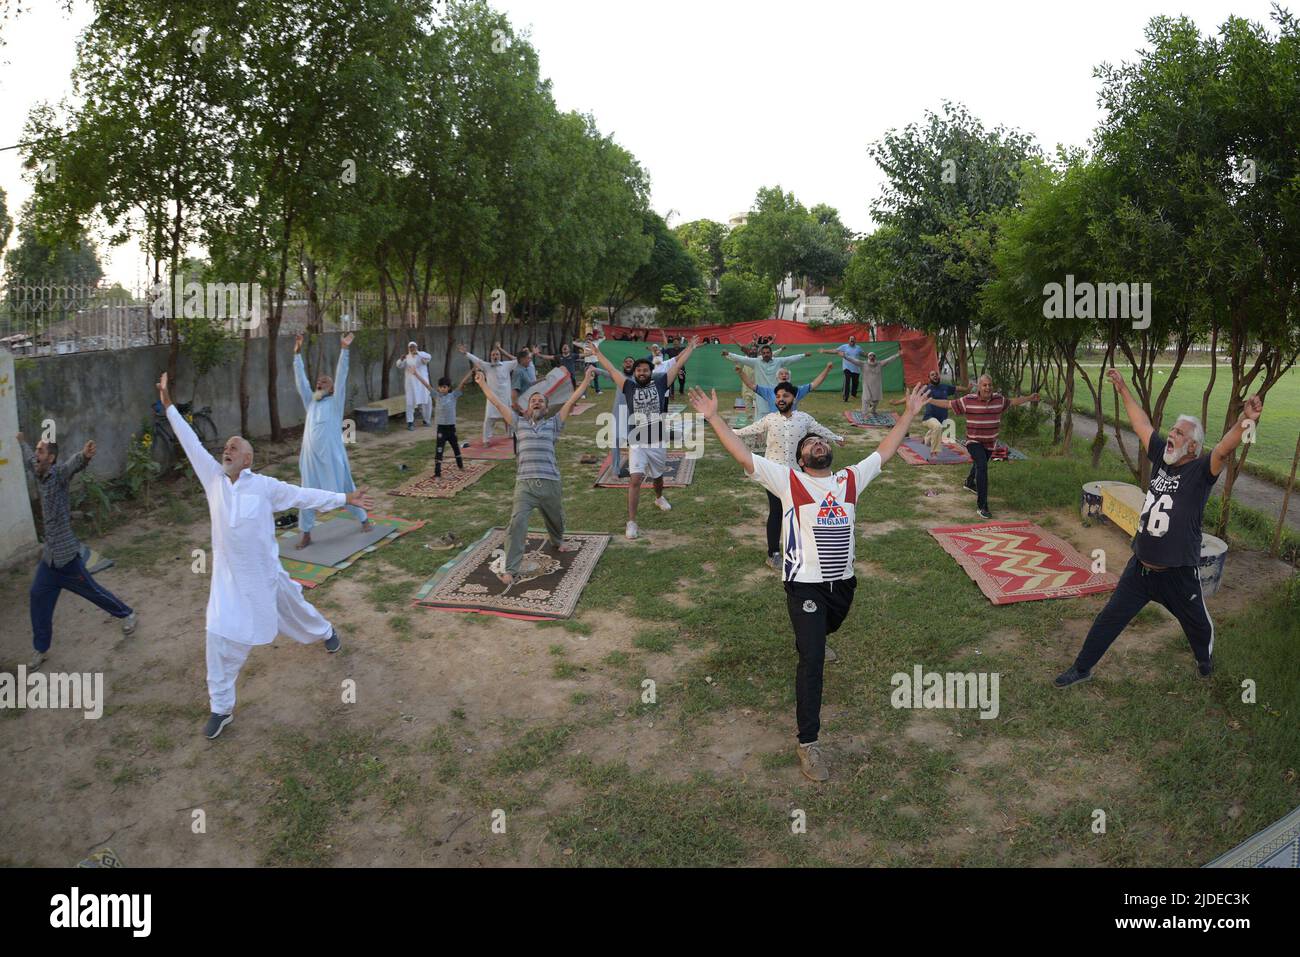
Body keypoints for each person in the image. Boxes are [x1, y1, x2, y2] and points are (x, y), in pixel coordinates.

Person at [689, 381, 931, 782]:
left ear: (829, 452)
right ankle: (808, 742)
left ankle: (816, 635)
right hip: (804, 585)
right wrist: (714, 418)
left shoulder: (849, 480)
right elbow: (744, 456)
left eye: (820, 441)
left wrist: (908, 414)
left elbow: (885, 451)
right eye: (810, 444)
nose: (817, 443)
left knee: (823, 632)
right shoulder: (789, 482)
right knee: (812, 659)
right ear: (800, 460)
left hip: (843, 585)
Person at [157, 372, 375, 740]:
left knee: (298, 611)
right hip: (228, 584)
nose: (227, 448)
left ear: (247, 459)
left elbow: (303, 496)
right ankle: (221, 708)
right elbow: (190, 441)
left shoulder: (263, 486)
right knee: (219, 637)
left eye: (235, 446)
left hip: (267, 577)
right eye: (226, 446)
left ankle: (326, 631)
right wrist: (169, 407)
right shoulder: (213, 479)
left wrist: (343, 498)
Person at [1056, 372, 1264, 689]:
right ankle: (1082, 667)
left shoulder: (1200, 471)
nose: (1171, 435)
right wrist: (1124, 389)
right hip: (1140, 569)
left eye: (1179, 433)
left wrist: (1245, 421)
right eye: (1172, 429)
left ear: (1193, 446)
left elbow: (1223, 450)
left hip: (1177, 574)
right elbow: (1141, 423)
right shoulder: (1162, 459)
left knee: (1197, 626)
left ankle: (1205, 662)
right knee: (1110, 618)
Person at [19, 432, 136, 671]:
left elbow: (72, 465)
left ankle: (127, 614)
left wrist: (84, 456)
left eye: (41, 451)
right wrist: (22, 442)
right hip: (49, 561)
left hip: (67, 560)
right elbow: (29, 458)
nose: (36, 455)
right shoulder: (39, 472)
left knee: (94, 592)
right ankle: (40, 649)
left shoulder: (58, 475)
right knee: (37, 596)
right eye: (37, 450)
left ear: (51, 458)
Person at [476, 366, 596, 586]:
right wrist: (483, 384)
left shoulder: (554, 424)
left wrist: (587, 380)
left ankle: (557, 539)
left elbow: (571, 400)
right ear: (528, 407)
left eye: (541, 400)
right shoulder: (518, 423)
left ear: (547, 407)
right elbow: (498, 404)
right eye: (533, 400)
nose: (537, 402)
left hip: (550, 481)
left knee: (555, 518)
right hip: (525, 484)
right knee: (517, 522)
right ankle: (511, 569)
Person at [587, 337, 700, 540]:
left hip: (657, 441)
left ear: (650, 372)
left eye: (645, 370)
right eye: (638, 370)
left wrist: (690, 347)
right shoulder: (628, 386)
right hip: (637, 443)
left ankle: (659, 497)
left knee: (658, 477)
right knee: (635, 479)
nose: (641, 372)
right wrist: (597, 354)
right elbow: (611, 369)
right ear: (634, 373)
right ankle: (631, 522)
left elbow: (677, 364)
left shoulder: (661, 383)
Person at [731, 383, 846, 570]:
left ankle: (803, 550)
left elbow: (820, 429)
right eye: (778, 396)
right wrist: (732, 433)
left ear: (794, 398)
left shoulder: (804, 418)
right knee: (776, 511)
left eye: (785, 396)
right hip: (773, 474)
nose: (781, 399)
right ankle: (773, 554)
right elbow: (753, 429)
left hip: (797, 475)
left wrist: (837, 438)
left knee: (799, 512)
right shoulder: (770, 419)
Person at [292, 332, 371, 549]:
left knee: (346, 489)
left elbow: (342, 376)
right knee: (306, 495)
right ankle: (306, 533)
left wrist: (344, 350)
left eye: (325, 382)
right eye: (319, 382)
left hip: (333, 459)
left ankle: (364, 520)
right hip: (310, 460)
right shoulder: (311, 403)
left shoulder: (336, 403)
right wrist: (296, 354)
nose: (320, 383)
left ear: (332, 388)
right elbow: (301, 381)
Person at [925, 375, 1039, 519]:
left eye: (990, 385)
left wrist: (1029, 398)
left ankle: (969, 482)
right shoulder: (968, 400)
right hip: (974, 441)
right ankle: (982, 506)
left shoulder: (999, 400)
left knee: (980, 463)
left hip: (990, 443)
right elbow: (948, 404)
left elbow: (1013, 402)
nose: (988, 388)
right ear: (979, 387)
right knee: (982, 466)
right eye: (984, 385)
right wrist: (930, 400)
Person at [722, 343, 811, 417]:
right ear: (761, 354)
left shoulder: (778, 361)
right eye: (764, 353)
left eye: (768, 352)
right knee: (761, 413)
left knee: (777, 413)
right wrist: (728, 354)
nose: (766, 354)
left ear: (771, 353)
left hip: (776, 393)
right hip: (762, 392)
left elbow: (791, 358)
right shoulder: (756, 362)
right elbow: (741, 359)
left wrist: (803, 355)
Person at [888, 369, 957, 455]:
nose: (935, 376)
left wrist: (967, 388)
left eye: (936, 374)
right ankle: (934, 452)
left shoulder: (945, 387)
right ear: (929, 378)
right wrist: (897, 402)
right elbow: (912, 397)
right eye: (932, 375)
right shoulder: (927, 389)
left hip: (942, 418)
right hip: (929, 417)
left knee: (937, 429)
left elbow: (957, 388)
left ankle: (926, 439)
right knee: (937, 427)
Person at [461, 343, 519, 443]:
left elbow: (518, 361)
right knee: (488, 419)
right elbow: (477, 360)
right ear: (490, 356)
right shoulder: (487, 366)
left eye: (497, 354)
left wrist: (532, 354)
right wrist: (466, 353)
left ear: (500, 356)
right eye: (493, 355)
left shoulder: (506, 365)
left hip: (505, 398)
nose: (495, 356)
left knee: (509, 417)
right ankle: (486, 440)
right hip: (492, 399)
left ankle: (512, 434)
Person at [736, 362, 835, 413]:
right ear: (777, 377)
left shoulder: (796, 390)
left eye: (786, 374)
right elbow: (751, 385)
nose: (784, 375)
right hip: (775, 424)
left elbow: (815, 384)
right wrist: (740, 372)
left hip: (792, 423)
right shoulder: (769, 391)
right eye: (781, 374)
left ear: (789, 377)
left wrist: (827, 369)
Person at [433, 367, 474, 478]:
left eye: (445, 387)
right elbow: (426, 385)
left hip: (451, 428)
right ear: (438, 388)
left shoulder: (453, 396)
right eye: (441, 387)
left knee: (456, 447)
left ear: (449, 388)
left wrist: (472, 371)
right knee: (439, 449)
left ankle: (461, 466)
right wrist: (416, 374)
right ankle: (437, 473)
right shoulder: (436, 396)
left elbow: (462, 383)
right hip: (441, 429)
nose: (442, 389)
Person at [840, 350, 900, 416]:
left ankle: (873, 411)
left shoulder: (880, 364)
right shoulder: (863, 364)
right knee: (866, 398)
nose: (872, 357)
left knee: (876, 400)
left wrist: (897, 355)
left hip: (877, 385)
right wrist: (845, 356)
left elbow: (889, 360)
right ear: (868, 357)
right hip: (866, 385)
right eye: (870, 356)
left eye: (873, 356)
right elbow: (853, 360)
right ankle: (864, 413)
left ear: (875, 357)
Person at [394, 342, 433, 430]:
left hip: (423, 383)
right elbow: (399, 365)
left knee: (427, 400)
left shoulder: (422, 355)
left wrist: (417, 353)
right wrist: (401, 359)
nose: (412, 348)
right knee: (410, 402)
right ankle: (410, 422)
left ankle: (426, 420)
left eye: (414, 347)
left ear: (416, 347)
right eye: (410, 347)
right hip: (411, 384)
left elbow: (429, 357)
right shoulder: (407, 358)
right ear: (408, 348)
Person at [819, 337, 864, 402]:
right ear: (848, 340)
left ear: (855, 341)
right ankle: (845, 398)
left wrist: (870, 355)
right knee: (847, 382)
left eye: (853, 339)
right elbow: (835, 351)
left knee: (855, 383)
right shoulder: (844, 347)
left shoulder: (858, 348)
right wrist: (824, 351)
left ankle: (853, 395)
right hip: (847, 368)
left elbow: (863, 354)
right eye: (850, 339)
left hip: (856, 368)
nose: (852, 340)